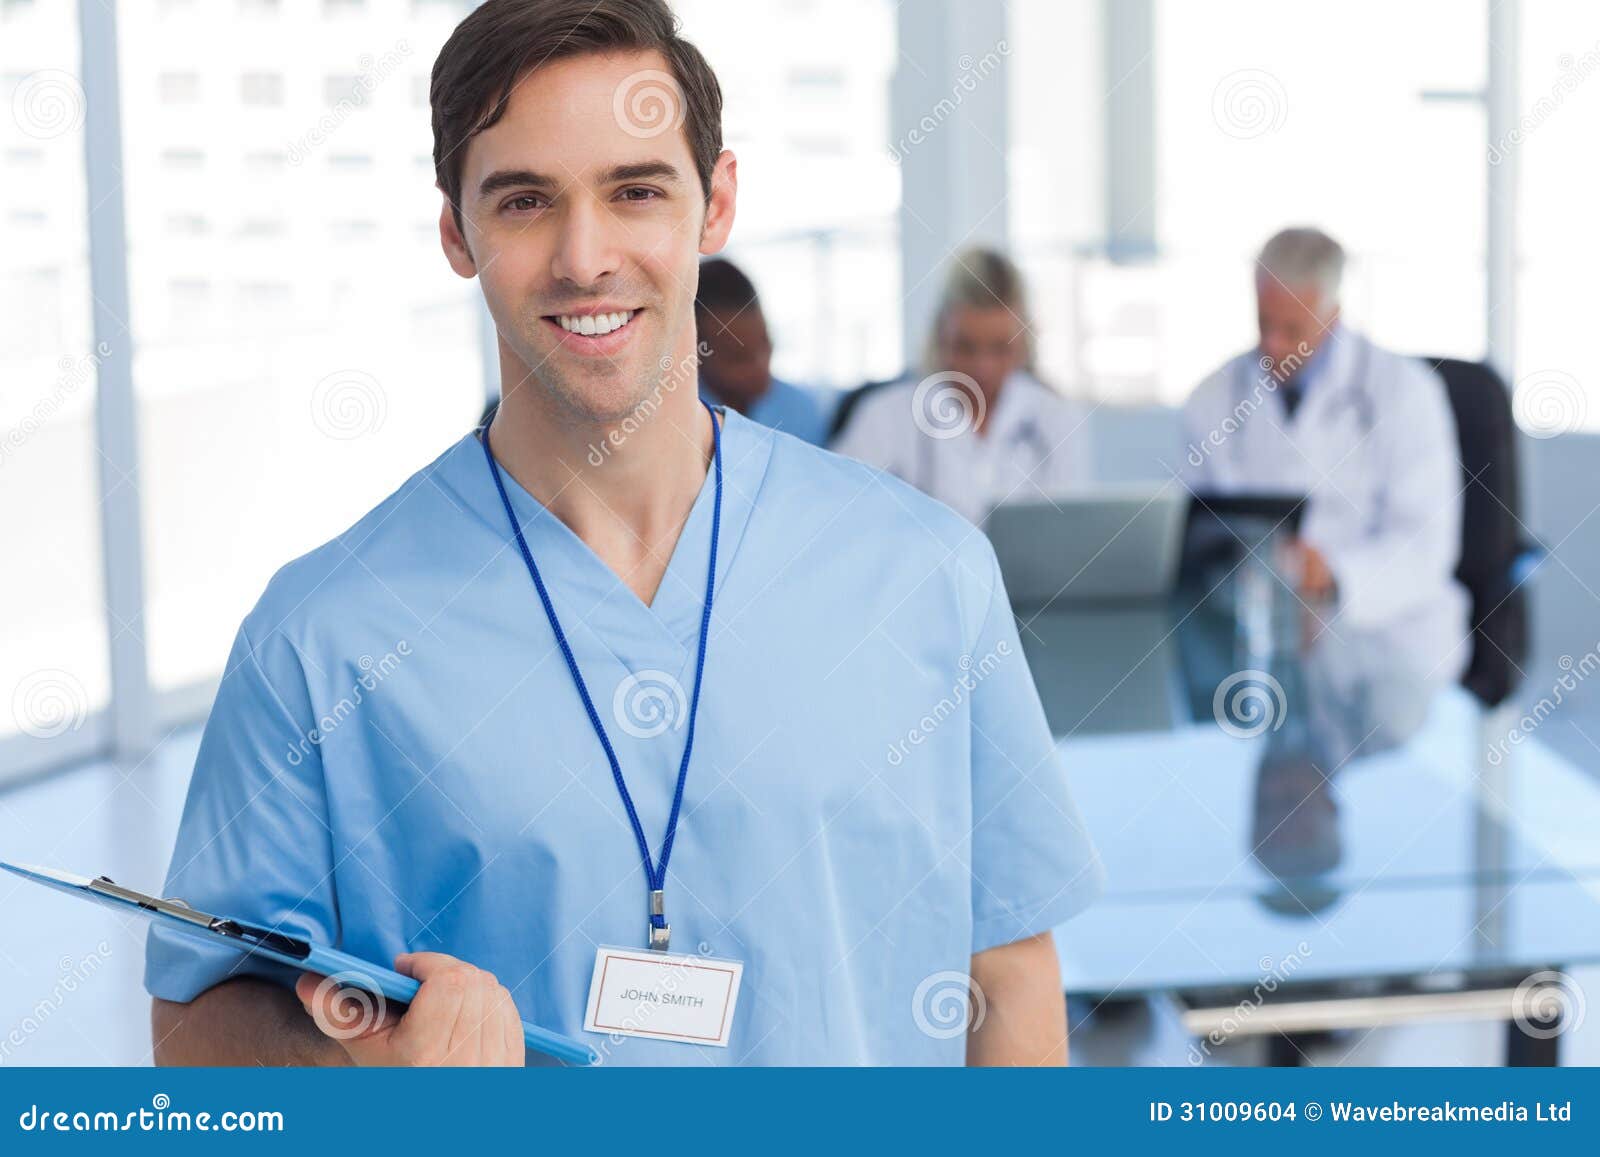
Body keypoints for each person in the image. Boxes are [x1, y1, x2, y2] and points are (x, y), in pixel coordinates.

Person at [144, 0, 1102, 1068]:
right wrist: (363, 1074)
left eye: (635, 190)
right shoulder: (321, 636)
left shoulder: (925, 575)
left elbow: (1007, 965)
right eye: (524, 202)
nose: (584, 256)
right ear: (457, 230)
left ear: (715, 203)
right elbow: (197, 1019)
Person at [1180, 227, 1468, 679]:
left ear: (1331, 316)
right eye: (1264, 324)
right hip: (1256, 635)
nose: (1273, 345)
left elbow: (1426, 548)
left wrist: (1332, 574)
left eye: (1292, 330)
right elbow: (1193, 534)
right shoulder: (1212, 398)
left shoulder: (1406, 393)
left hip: (1387, 640)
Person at [831, 248, 1094, 527]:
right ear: (940, 337)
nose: (983, 367)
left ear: (1024, 343)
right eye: (965, 347)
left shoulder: (1056, 417)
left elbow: (1071, 533)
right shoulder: (885, 415)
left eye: (1000, 348)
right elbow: (838, 512)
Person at [694, 256, 835, 445]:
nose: (760, 366)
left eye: (765, 344)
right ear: (696, 355)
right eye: (738, 358)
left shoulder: (799, 410)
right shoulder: (673, 418)